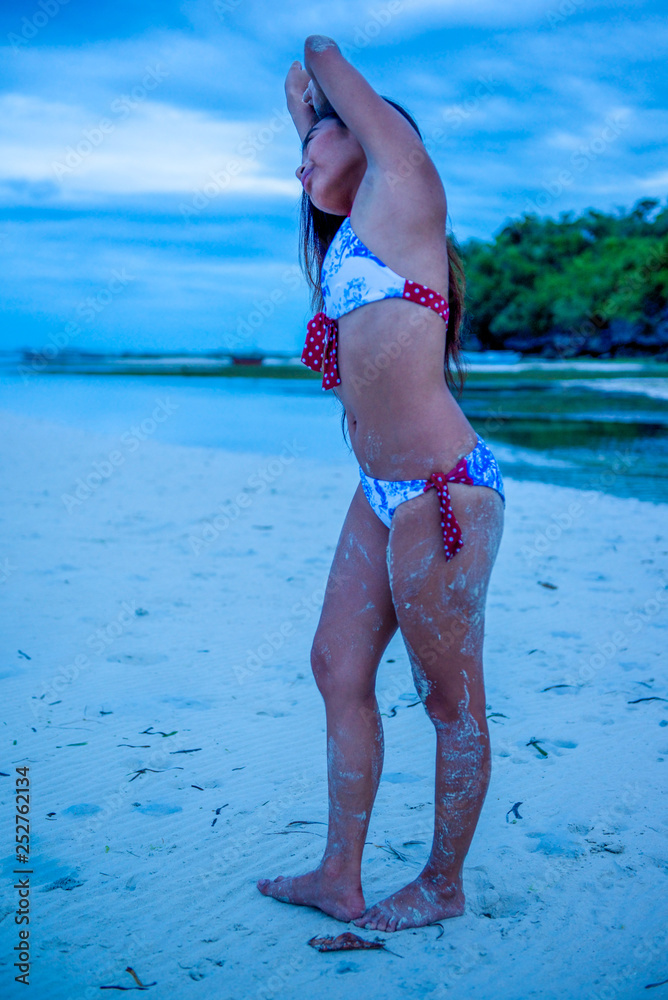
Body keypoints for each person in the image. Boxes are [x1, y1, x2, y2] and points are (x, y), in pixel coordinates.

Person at [257, 35, 506, 933]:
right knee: (336, 665)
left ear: (369, 134)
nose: (299, 163)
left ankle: (442, 884)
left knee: (449, 699)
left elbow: (317, 59)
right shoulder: (351, 239)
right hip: (379, 491)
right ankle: (340, 874)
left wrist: (326, 92)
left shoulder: (406, 188)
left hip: (444, 492)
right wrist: (311, 116)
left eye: (313, 142)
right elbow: (301, 90)